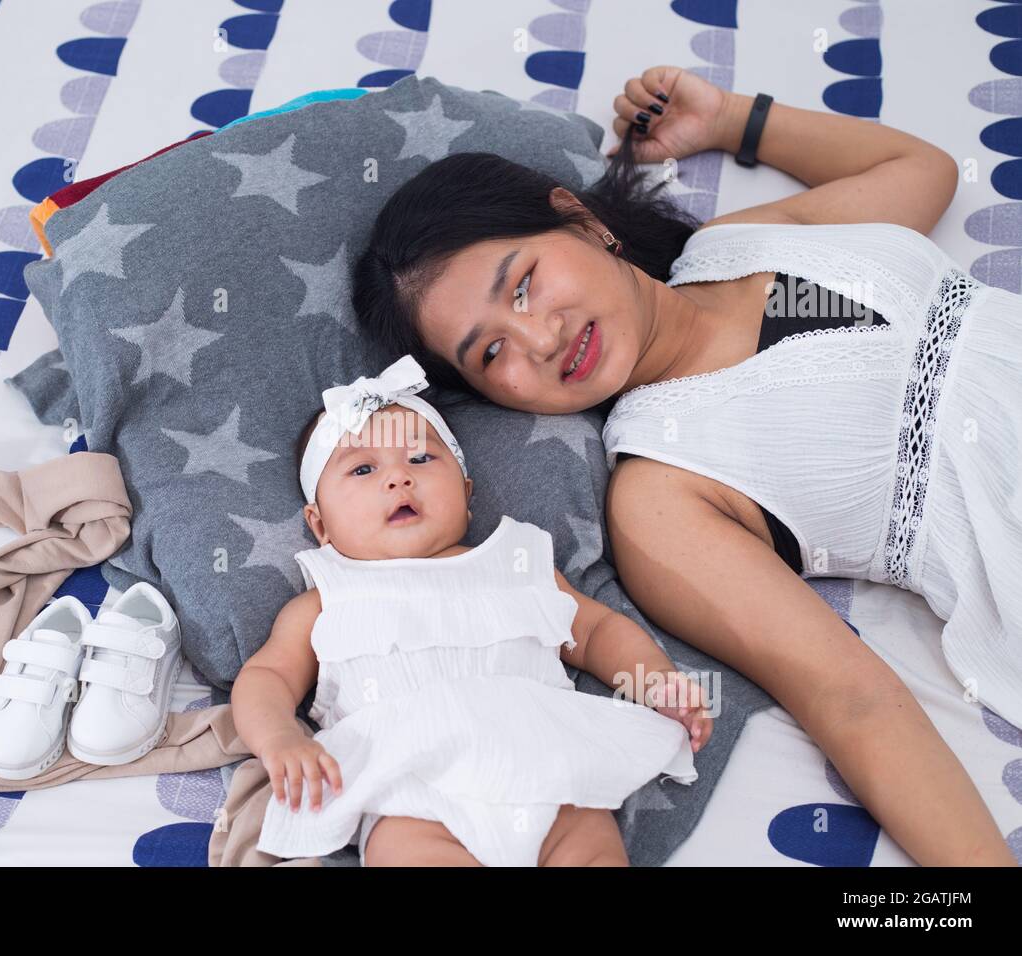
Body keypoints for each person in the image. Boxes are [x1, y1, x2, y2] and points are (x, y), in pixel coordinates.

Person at [350, 66, 1021, 867]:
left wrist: (735, 119)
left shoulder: (733, 245)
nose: (540, 340)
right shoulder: (661, 488)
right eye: (491, 351)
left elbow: (923, 174)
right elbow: (852, 702)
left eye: (523, 286)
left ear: (582, 222)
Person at [231, 355, 711, 866]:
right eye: (364, 469)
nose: (398, 480)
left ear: (465, 494)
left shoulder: (517, 561)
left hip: (547, 765)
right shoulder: (327, 598)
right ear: (320, 525)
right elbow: (268, 676)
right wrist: (279, 737)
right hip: (410, 791)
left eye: (420, 460)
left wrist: (654, 679)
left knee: (588, 844)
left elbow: (594, 632)